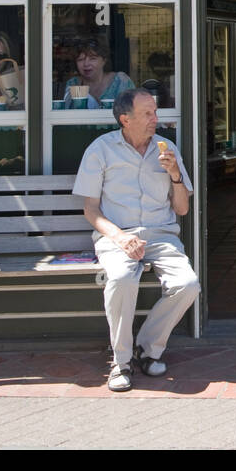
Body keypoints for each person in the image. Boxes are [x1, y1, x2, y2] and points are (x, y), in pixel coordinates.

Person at [73, 88, 200, 392]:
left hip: (161, 235)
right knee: (121, 280)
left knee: (188, 285)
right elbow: (90, 209)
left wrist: (175, 176)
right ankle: (121, 361)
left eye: (155, 112)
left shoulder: (166, 148)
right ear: (124, 119)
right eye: (147, 113)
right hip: (118, 235)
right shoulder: (100, 149)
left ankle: (147, 348)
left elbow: (182, 208)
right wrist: (119, 237)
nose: (155, 118)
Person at [64, 37, 135, 108]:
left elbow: (133, 110)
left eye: (92, 59)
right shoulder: (73, 83)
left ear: (104, 61)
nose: (86, 64)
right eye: (80, 59)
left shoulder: (120, 81)